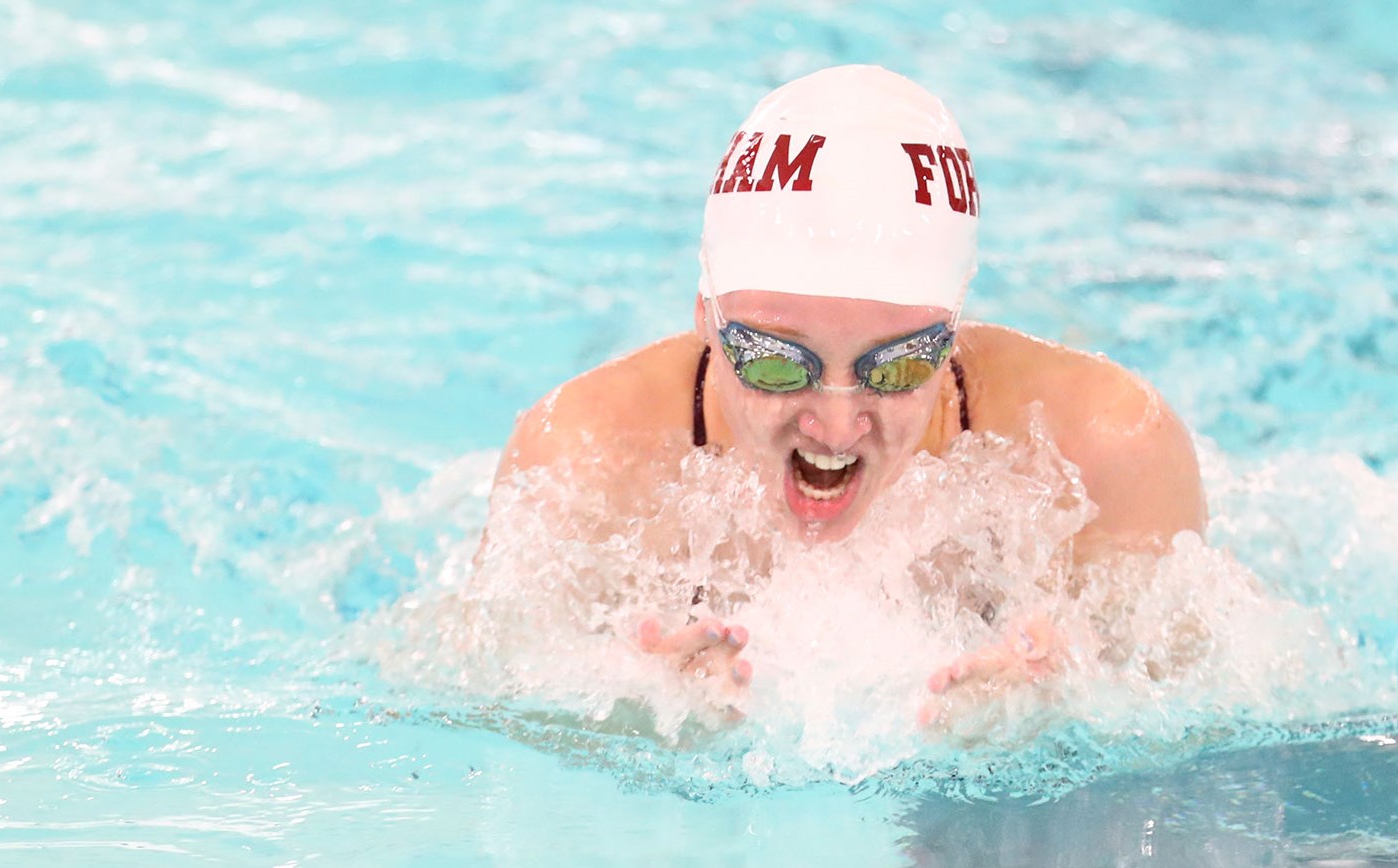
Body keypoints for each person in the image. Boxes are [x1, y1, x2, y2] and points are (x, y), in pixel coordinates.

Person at [483, 65, 1205, 724]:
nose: (833, 425)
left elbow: (1217, 702)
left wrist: (1074, 711)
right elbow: (462, 687)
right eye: (773, 363)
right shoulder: (588, 459)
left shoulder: (1100, 453)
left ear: (952, 336)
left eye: (893, 367)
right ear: (705, 318)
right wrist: (626, 721)